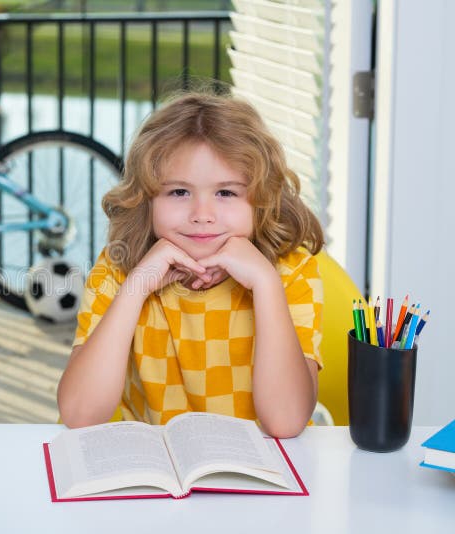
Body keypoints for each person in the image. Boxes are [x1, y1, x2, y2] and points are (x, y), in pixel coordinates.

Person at [57, 92, 325, 438]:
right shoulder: (118, 268)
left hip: (260, 466)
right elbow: (80, 413)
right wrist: (137, 286)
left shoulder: (290, 272)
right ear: (146, 200)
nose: (202, 215)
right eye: (179, 192)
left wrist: (265, 284)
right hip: (157, 462)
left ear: (261, 200)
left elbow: (285, 421)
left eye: (226, 193)